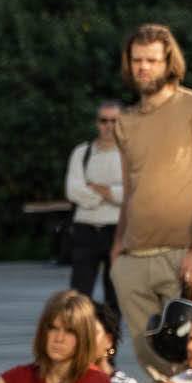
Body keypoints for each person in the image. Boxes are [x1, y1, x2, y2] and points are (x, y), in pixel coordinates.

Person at [110, 23, 192, 383]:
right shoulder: (125, 122)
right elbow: (131, 192)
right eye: (136, 61)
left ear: (169, 63)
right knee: (149, 355)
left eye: (152, 61)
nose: (143, 68)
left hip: (184, 256)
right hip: (134, 260)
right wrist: (117, 252)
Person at [65, 101, 125, 328]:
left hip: (116, 232)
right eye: (103, 121)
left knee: (114, 298)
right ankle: (79, 349)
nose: (108, 126)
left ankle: (109, 354)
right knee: (79, 297)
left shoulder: (129, 154)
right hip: (85, 231)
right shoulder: (82, 153)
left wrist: (98, 189)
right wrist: (111, 193)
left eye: (114, 121)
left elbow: (131, 194)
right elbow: (73, 191)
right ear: (97, 123)